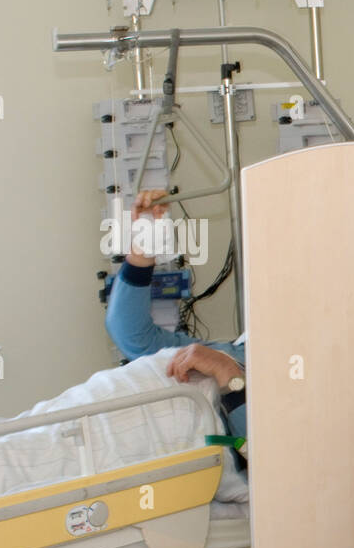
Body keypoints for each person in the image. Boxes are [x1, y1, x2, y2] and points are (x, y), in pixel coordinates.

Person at [105, 190, 248, 447]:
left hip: (138, 439)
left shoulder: (310, 369)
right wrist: (144, 244)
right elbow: (132, 336)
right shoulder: (243, 351)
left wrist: (230, 377)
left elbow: (267, 460)